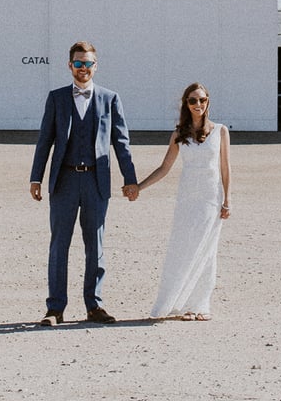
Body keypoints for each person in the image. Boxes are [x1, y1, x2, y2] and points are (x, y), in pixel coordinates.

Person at [29, 40, 138, 326]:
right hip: (64, 180)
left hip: (96, 180)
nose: (83, 68)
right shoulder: (57, 98)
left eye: (88, 63)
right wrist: (35, 177)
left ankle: (94, 305)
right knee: (59, 245)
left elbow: (121, 142)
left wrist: (131, 179)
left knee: (95, 245)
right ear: (70, 66)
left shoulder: (109, 98)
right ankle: (55, 308)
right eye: (78, 63)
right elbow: (45, 141)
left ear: (95, 66)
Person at [135, 82, 231, 321]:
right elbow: (164, 167)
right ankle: (180, 303)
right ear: (186, 104)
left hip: (211, 197)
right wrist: (139, 187)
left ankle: (200, 304)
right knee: (183, 247)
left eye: (202, 100)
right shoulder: (179, 134)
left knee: (207, 249)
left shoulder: (221, 131)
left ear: (208, 101)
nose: (198, 104)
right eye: (192, 100)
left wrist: (227, 200)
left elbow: (225, 168)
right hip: (188, 198)